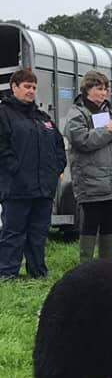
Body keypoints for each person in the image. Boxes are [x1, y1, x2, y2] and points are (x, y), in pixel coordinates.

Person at [0, 69, 66, 279]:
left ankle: (37, 272)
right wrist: (14, 169)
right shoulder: (4, 114)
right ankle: (8, 273)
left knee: (38, 233)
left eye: (34, 87)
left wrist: (57, 168)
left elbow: (58, 145)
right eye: (27, 86)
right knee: (14, 233)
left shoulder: (42, 117)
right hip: (17, 187)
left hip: (43, 188)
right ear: (14, 87)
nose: (31, 91)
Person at [65, 70, 112, 261]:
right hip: (91, 182)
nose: (103, 93)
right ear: (87, 89)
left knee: (108, 224)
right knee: (90, 223)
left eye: (106, 89)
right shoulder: (77, 114)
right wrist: (109, 131)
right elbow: (83, 141)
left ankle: (106, 264)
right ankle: (86, 264)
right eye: (99, 88)